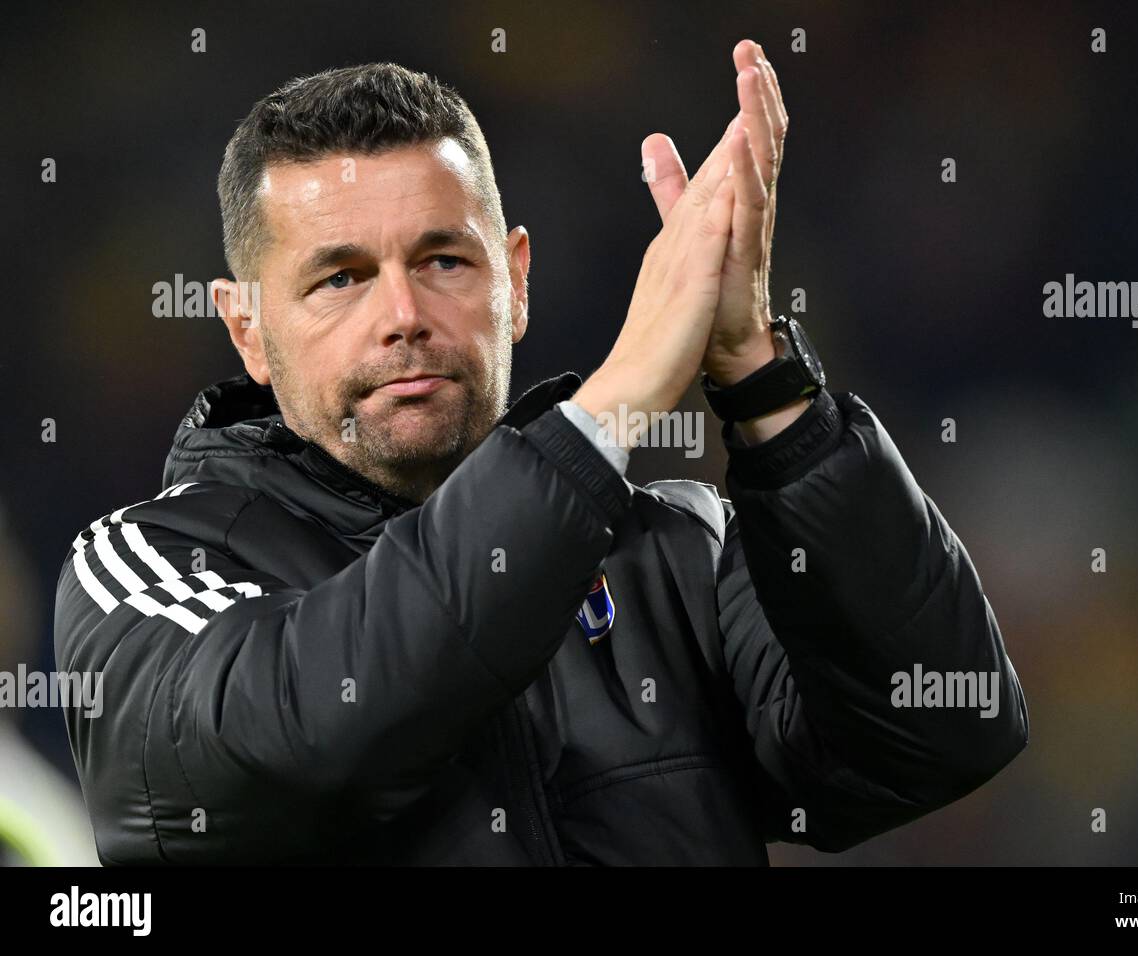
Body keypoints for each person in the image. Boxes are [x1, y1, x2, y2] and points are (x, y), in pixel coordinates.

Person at [53, 41, 1027, 865]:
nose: (402, 316)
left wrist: (764, 378)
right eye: (340, 278)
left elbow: (939, 731)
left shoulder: (672, 552)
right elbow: (295, 739)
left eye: (443, 260)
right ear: (248, 329)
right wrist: (613, 404)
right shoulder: (148, 567)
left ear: (515, 279)